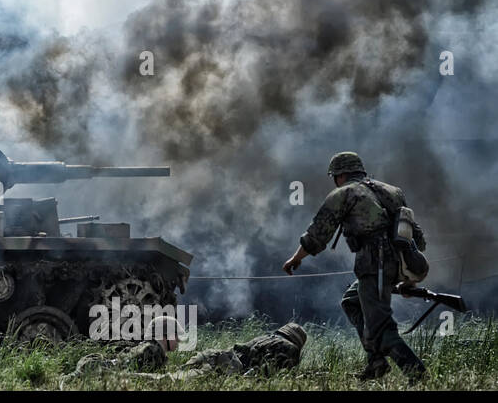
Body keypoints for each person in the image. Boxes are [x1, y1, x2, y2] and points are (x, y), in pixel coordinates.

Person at [282, 152, 427, 382]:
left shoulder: (344, 194)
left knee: (381, 328)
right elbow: (417, 238)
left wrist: (296, 258)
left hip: (374, 264)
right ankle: (376, 362)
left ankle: (417, 373)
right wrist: (405, 276)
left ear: (339, 175)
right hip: (395, 263)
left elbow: (318, 233)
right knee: (351, 302)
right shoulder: (392, 191)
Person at [179, 322, 306, 377]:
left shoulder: (266, 337)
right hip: (234, 368)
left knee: (183, 373)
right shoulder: (291, 349)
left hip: (221, 355)